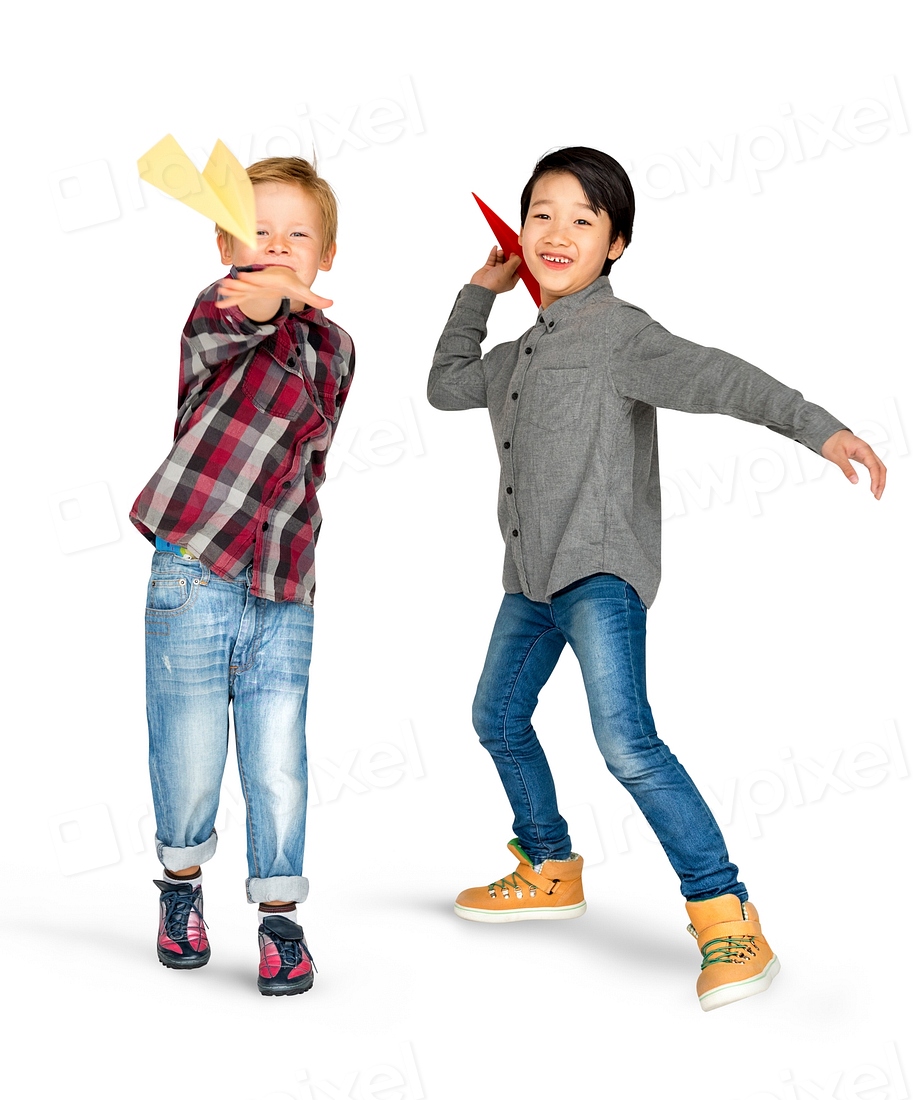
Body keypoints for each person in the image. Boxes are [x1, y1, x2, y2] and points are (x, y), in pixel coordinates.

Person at [427, 146, 885, 1011]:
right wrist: (482, 289)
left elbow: (723, 378)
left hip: (598, 573)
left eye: (583, 220)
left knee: (627, 743)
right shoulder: (518, 355)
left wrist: (820, 429)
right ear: (519, 231)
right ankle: (550, 865)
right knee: (495, 716)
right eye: (541, 216)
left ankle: (727, 917)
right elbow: (446, 385)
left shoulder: (621, 334)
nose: (557, 234)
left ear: (617, 244)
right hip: (528, 580)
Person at [130, 156, 355, 996]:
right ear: (225, 241)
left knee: (278, 759)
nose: (280, 247)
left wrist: (298, 565)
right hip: (194, 565)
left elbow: (310, 461)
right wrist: (270, 293)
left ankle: (279, 918)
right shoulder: (219, 307)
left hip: (284, 583)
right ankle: (180, 889)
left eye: (299, 235)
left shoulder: (337, 347)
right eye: (260, 232)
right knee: (189, 748)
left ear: (327, 253)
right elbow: (247, 310)